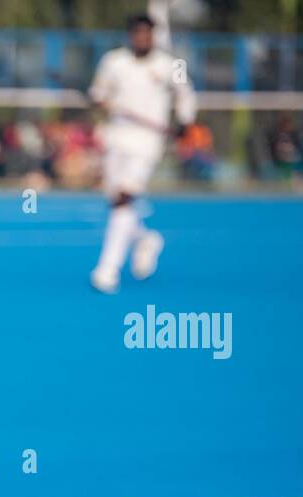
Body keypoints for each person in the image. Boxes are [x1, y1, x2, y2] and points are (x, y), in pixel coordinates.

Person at [87, 12, 196, 294]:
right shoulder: (113, 62)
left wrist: (184, 122)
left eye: (147, 33)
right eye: (137, 33)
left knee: (124, 199)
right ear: (130, 35)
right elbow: (98, 92)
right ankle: (145, 240)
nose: (142, 38)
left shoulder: (172, 65)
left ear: (153, 35)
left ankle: (107, 269)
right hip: (116, 138)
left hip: (148, 143)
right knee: (117, 203)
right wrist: (99, 99)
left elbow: (186, 95)